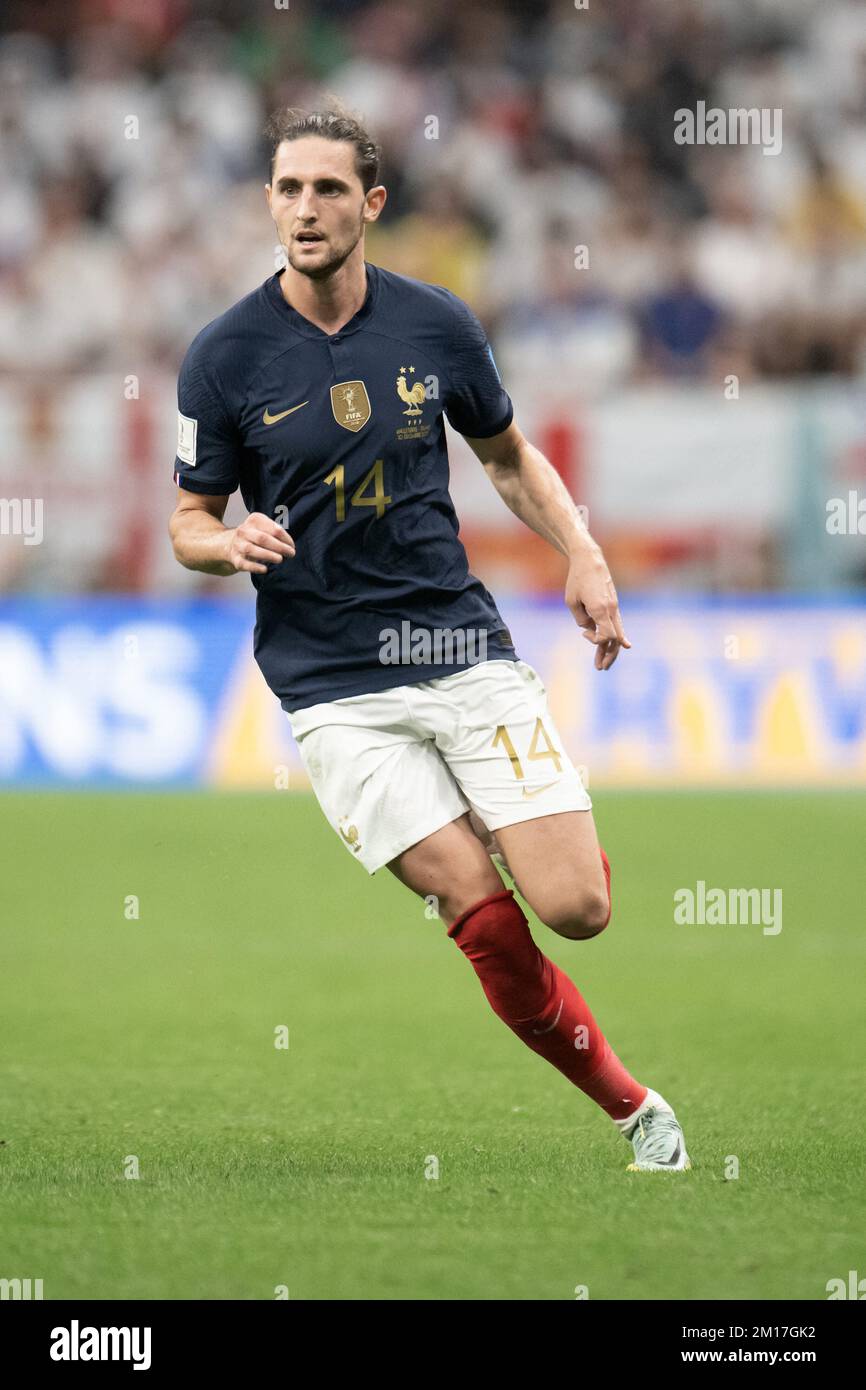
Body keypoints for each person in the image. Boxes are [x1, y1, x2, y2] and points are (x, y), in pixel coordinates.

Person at [168, 104, 690, 1173]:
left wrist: (581, 554)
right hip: (330, 685)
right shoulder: (221, 356)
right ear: (267, 201)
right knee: (478, 910)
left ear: (370, 204)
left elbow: (504, 456)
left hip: (456, 648)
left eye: (324, 189)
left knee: (577, 907)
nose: (302, 208)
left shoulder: (435, 325)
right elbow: (186, 520)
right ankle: (637, 1111)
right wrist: (226, 543)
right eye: (284, 188)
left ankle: (529, 822)